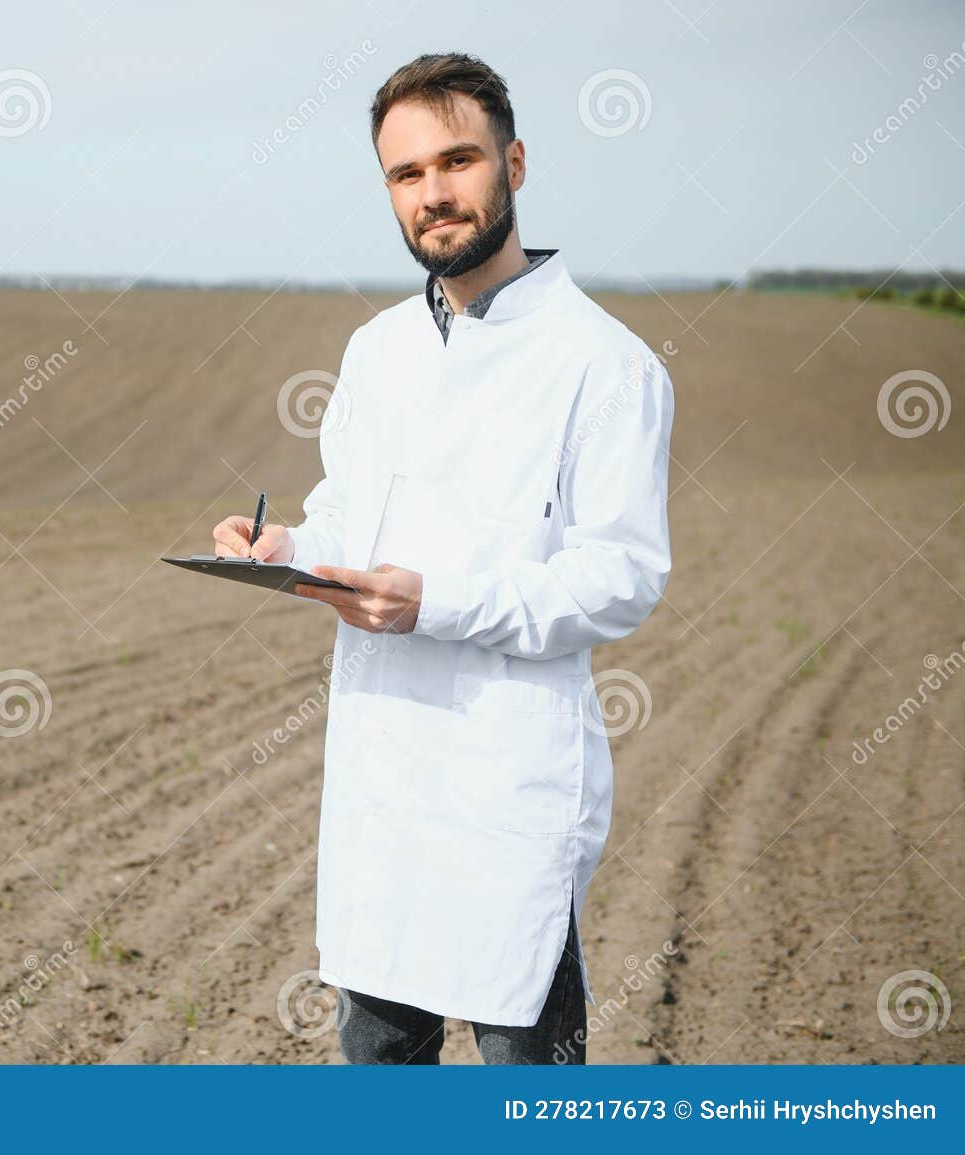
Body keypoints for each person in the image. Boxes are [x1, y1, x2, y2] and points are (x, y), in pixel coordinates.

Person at [212, 52, 674, 1064]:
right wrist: (291, 547)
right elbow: (349, 515)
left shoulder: (605, 366)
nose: (433, 194)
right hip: (383, 775)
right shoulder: (375, 351)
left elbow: (620, 576)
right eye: (405, 174)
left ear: (511, 162)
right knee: (380, 1067)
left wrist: (438, 603)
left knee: (528, 1084)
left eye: (455, 162)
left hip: (508, 777)